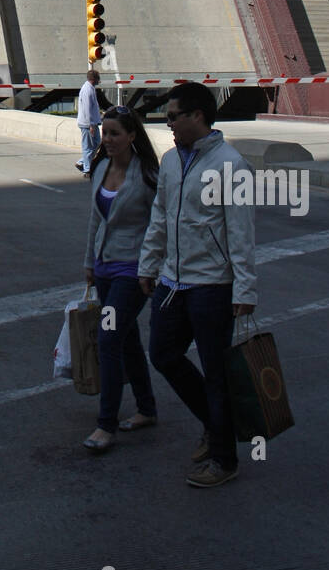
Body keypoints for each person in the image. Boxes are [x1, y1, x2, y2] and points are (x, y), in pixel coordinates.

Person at [138, 82, 256, 488]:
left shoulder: (231, 165)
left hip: (212, 286)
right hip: (172, 281)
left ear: (197, 116)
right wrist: (148, 264)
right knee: (164, 354)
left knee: (218, 373)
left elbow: (241, 233)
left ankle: (225, 460)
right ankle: (213, 422)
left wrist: (245, 290)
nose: (168, 123)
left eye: (173, 116)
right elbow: (159, 216)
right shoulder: (170, 161)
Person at [82, 105, 160, 452]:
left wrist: (153, 266)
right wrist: (89, 262)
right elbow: (95, 221)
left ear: (132, 136)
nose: (108, 139)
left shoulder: (147, 175)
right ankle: (146, 408)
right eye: (104, 132)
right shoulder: (100, 168)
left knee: (108, 339)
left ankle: (105, 425)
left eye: (115, 133)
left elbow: (160, 225)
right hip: (104, 268)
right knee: (126, 340)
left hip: (134, 269)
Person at [75, 69, 101, 176]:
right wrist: (90, 124)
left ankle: (81, 162)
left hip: (93, 123)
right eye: (98, 78)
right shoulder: (87, 90)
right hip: (88, 124)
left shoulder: (90, 88)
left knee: (97, 144)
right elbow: (87, 108)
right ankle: (87, 169)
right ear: (94, 79)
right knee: (88, 147)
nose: (99, 81)